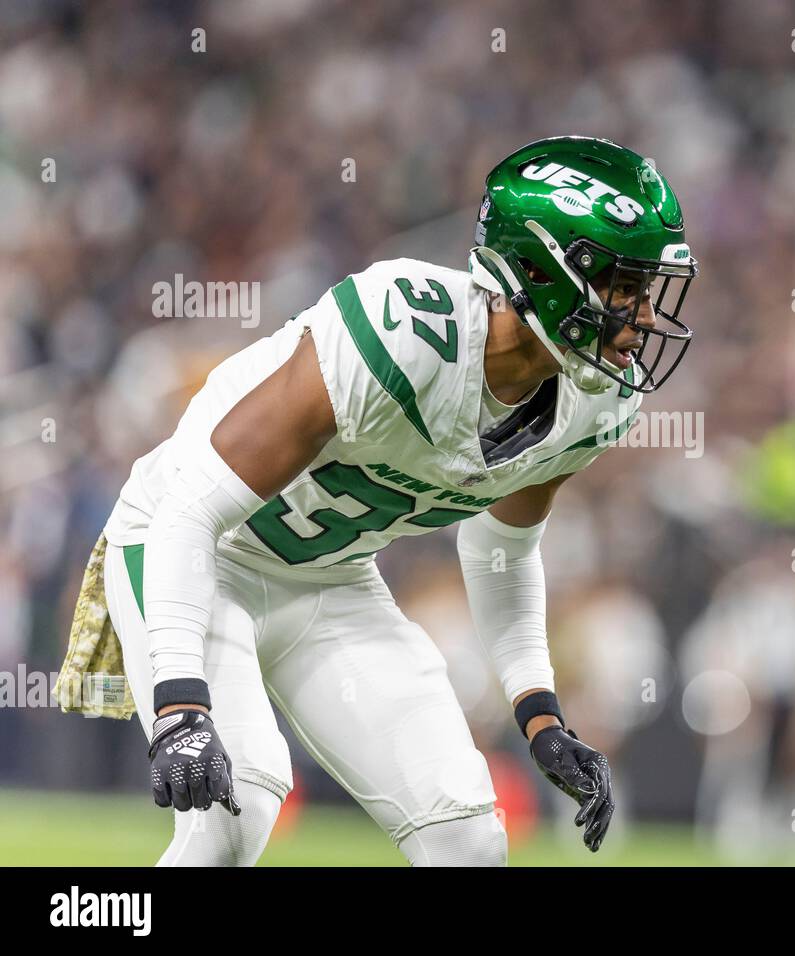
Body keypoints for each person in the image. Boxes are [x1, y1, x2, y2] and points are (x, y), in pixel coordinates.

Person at [88, 136, 696, 865]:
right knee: (233, 813)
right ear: (538, 270)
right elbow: (192, 508)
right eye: (623, 286)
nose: (643, 316)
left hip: (329, 579)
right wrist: (181, 706)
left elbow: (502, 550)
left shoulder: (594, 401)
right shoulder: (405, 330)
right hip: (198, 549)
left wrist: (541, 716)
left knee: (468, 839)